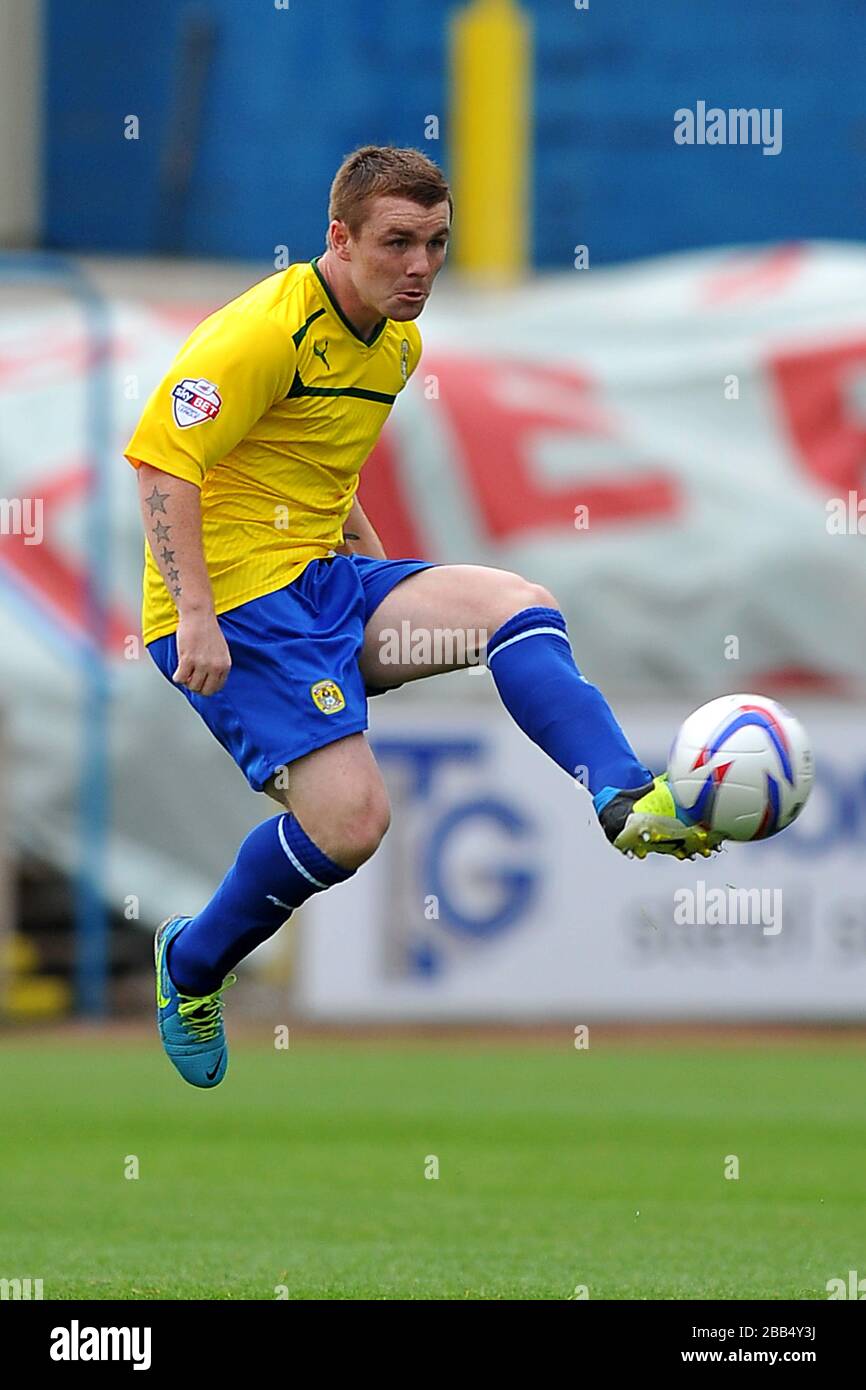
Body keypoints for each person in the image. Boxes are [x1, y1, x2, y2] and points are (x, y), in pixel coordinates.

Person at [126, 145, 719, 1088]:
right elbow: (165, 464)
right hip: (237, 610)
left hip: (324, 586)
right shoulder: (257, 336)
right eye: (397, 243)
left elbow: (318, 455)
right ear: (339, 238)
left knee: (516, 607)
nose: (419, 267)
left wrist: (363, 545)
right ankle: (192, 963)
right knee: (354, 824)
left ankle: (619, 796)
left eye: (437, 244)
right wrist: (192, 613)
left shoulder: (397, 342)